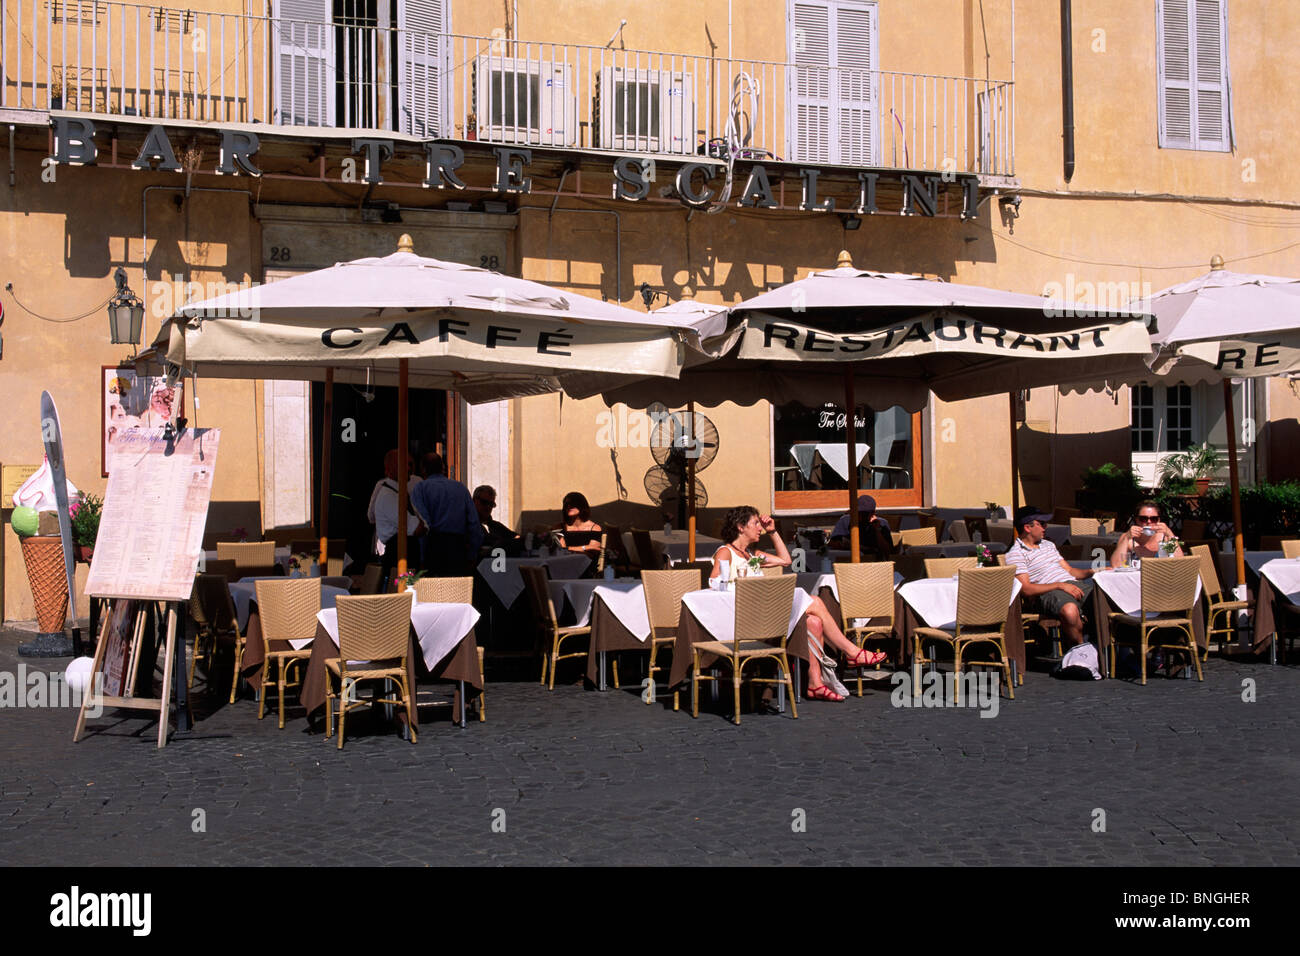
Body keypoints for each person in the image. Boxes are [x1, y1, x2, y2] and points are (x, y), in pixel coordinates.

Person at [710, 505, 886, 702]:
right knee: (816, 601)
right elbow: (715, 582)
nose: (760, 528)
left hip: (764, 613)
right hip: (745, 619)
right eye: (755, 523)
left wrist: (774, 532)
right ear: (740, 527)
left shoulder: (752, 556)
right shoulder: (726, 552)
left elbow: (785, 560)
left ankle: (815, 684)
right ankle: (851, 651)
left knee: (814, 622)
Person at [1006, 505, 1097, 647]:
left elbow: (1070, 571)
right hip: (1048, 591)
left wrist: (1093, 571)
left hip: (1071, 584)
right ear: (1028, 528)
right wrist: (1060, 585)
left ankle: (1108, 650)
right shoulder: (1015, 553)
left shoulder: (1048, 545)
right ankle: (1082, 651)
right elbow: (1026, 589)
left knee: (1103, 600)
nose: (1045, 527)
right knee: (1070, 611)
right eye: (1041, 524)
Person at [409, 452, 482, 577]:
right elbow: (474, 524)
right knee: (458, 592)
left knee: (433, 593)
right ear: (443, 468)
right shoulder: (460, 488)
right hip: (458, 549)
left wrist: (421, 558)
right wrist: (472, 555)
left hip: (434, 548)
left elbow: (424, 523)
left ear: (423, 469)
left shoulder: (420, 488)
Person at [366, 449, 426, 585]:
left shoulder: (401, 492)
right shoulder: (389, 496)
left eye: (410, 464)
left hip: (407, 554)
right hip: (398, 556)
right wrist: (421, 525)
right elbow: (418, 528)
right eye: (404, 464)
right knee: (403, 599)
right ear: (390, 470)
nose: (409, 468)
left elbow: (424, 525)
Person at [1110, 500, 1184, 567]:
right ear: (1137, 520)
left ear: (1159, 520)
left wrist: (1169, 533)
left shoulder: (1164, 538)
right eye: (1143, 519)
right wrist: (1126, 538)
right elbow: (1116, 565)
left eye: (1153, 519)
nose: (1149, 522)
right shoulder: (1129, 539)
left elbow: (1180, 563)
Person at [828, 493, 895, 561]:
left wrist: (877, 530)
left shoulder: (881, 525)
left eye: (864, 514)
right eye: (858, 513)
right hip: (848, 560)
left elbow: (888, 552)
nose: (860, 516)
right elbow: (832, 542)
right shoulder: (846, 521)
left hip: (872, 563)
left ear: (872, 513)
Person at [473, 485, 523, 557]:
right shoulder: (468, 524)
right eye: (484, 502)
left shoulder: (495, 525)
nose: (488, 507)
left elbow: (516, 537)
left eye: (491, 504)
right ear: (474, 501)